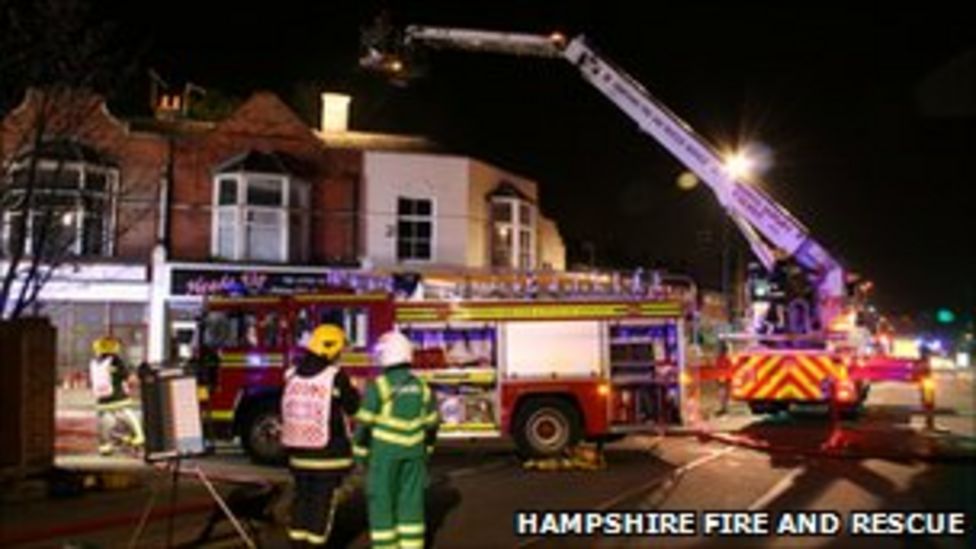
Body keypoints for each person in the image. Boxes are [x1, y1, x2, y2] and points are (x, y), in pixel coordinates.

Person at [354, 331, 440, 549]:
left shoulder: (380, 386)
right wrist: (427, 449)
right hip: (415, 454)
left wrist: (360, 453)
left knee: (382, 503)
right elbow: (432, 425)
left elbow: (363, 425)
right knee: (411, 504)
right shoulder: (422, 387)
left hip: (384, 456)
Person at [281, 324, 360, 548]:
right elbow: (352, 407)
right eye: (339, 350)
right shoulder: (335, 376)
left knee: (302, 500)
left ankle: (296, 544)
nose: (340, 354)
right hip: (328, 455)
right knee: (321, 506)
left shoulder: (293, 374)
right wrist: (353, 389)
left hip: (297, 455)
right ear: (332, 349)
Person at [89, 336, 144, 455]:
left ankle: (105, 446)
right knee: (131, 415)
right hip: (118, 398)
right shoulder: (115, 360)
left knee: (105, 422)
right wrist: (140, 379)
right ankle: (138, 437)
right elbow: (129, 378)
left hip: (101, 401)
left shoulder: (95, 362)